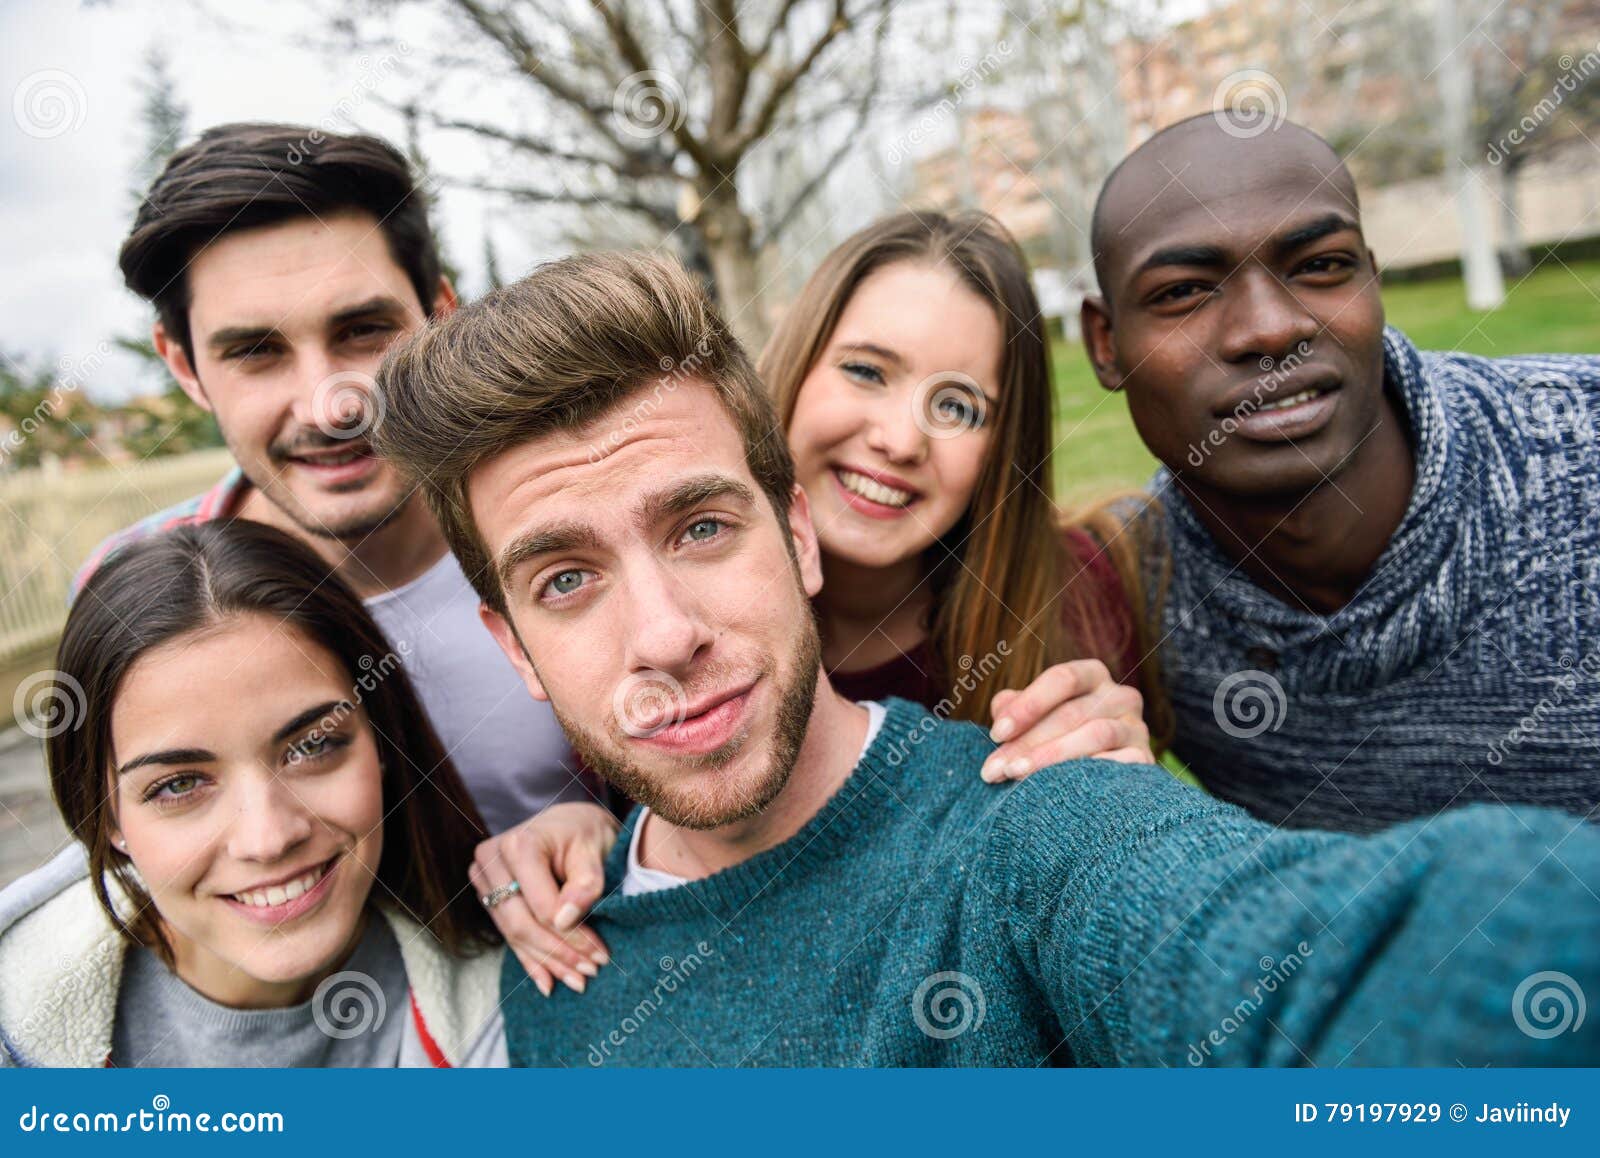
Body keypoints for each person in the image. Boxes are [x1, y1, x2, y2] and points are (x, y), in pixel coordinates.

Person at [372, 250, 1600, 1066]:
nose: (663, 635)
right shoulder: (553, 971)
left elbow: (1293, 958)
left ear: (795, 530)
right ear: (512, 650)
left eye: (701, 527)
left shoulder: (1028, 833)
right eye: (566, 580)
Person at [472, 212, 1164, 979]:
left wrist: (1119, 792)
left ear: (1005, 447)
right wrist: (581, 823)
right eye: (867, 372)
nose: (901, 440)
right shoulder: (650, 624)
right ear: (796, 370)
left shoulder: (1078, 596)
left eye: (959, 407)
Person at [1080, 112, 1600, 831]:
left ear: (1373, 280)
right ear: (1104, 344)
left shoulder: (1581, 445)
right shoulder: (1126, 597)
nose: (1271, 330)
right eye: (1185, 291)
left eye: (1321, 266)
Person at [71, 122, 588, 844]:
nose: (331, 405)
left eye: (363, 331)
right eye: (256, 351)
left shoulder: (582, 529)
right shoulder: (122, 601)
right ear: (184, 366)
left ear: (440, 316)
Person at [0, 521, 504, 1067]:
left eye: (313, 746)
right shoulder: (17, 1024)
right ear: (107, 818)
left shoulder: (515, 996)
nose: (267, 839)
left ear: (382, 740)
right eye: (179, 785)